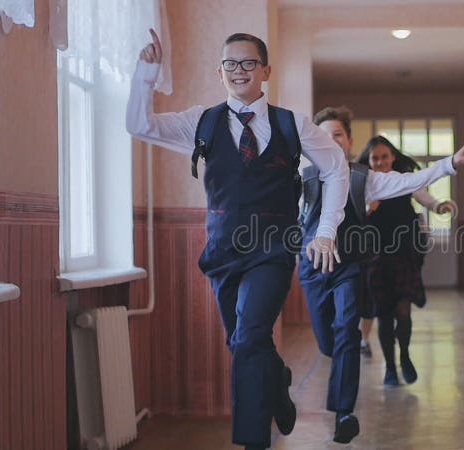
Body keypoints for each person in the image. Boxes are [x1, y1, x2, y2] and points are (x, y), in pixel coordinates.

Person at [126, 30, 349, 450]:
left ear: (265, 71)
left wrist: (324, 231)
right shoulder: (201, 122)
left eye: (248, 63)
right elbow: (139, 125)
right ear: (220, 71)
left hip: (273, 250)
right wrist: (146, 74)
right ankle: (278, 379)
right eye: (231, 63)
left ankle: (252, 442)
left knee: (247, 340)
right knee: (246, 342)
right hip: (222, 253)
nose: (239, 70)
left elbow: (336, 167)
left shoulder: (291, 124)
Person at [303, 106, 464, 443]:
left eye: (338, 134)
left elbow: (413, 181)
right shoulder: (302, 177)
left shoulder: (363, 178)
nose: (331, 140)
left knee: (347, 334)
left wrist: (450, 162)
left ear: (349, 141)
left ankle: (344, 412)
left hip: (350, 265)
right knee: (328, 343)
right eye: (324, 135)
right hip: (312, 268)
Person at [356, 136, 462, 387]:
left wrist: (439, 205)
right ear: (369, 162)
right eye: (375, 158)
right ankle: (390, 369)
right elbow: (354, 215)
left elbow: (425, 197)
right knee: (382, 314)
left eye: (384, 156)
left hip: (404, 253)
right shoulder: (365, 184)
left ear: (393, 157)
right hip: (376, 257)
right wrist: (370, 206)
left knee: (403, 310)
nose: (380, 161)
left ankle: (404, 356)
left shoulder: (404, 180)